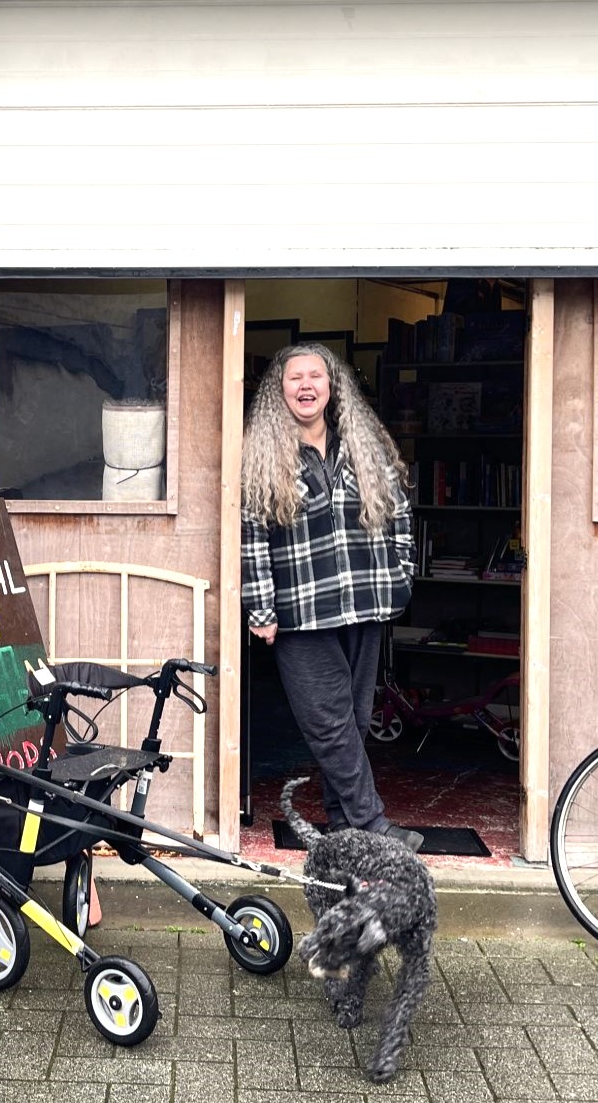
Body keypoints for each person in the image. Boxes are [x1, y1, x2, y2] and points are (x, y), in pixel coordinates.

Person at [242, 344, 423, 853]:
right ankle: (373, 826)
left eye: (314, 375)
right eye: (294, 376)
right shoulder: (263, 455)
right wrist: (261, 608)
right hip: (301, 614)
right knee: (329, 725)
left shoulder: (362, 446)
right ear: (280, 391)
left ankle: (344, 826)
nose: (305, 385)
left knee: (354, 721)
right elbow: (251, 536)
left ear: (330, 385)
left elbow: (401, 513)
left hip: (365, 603)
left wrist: (401, 576)